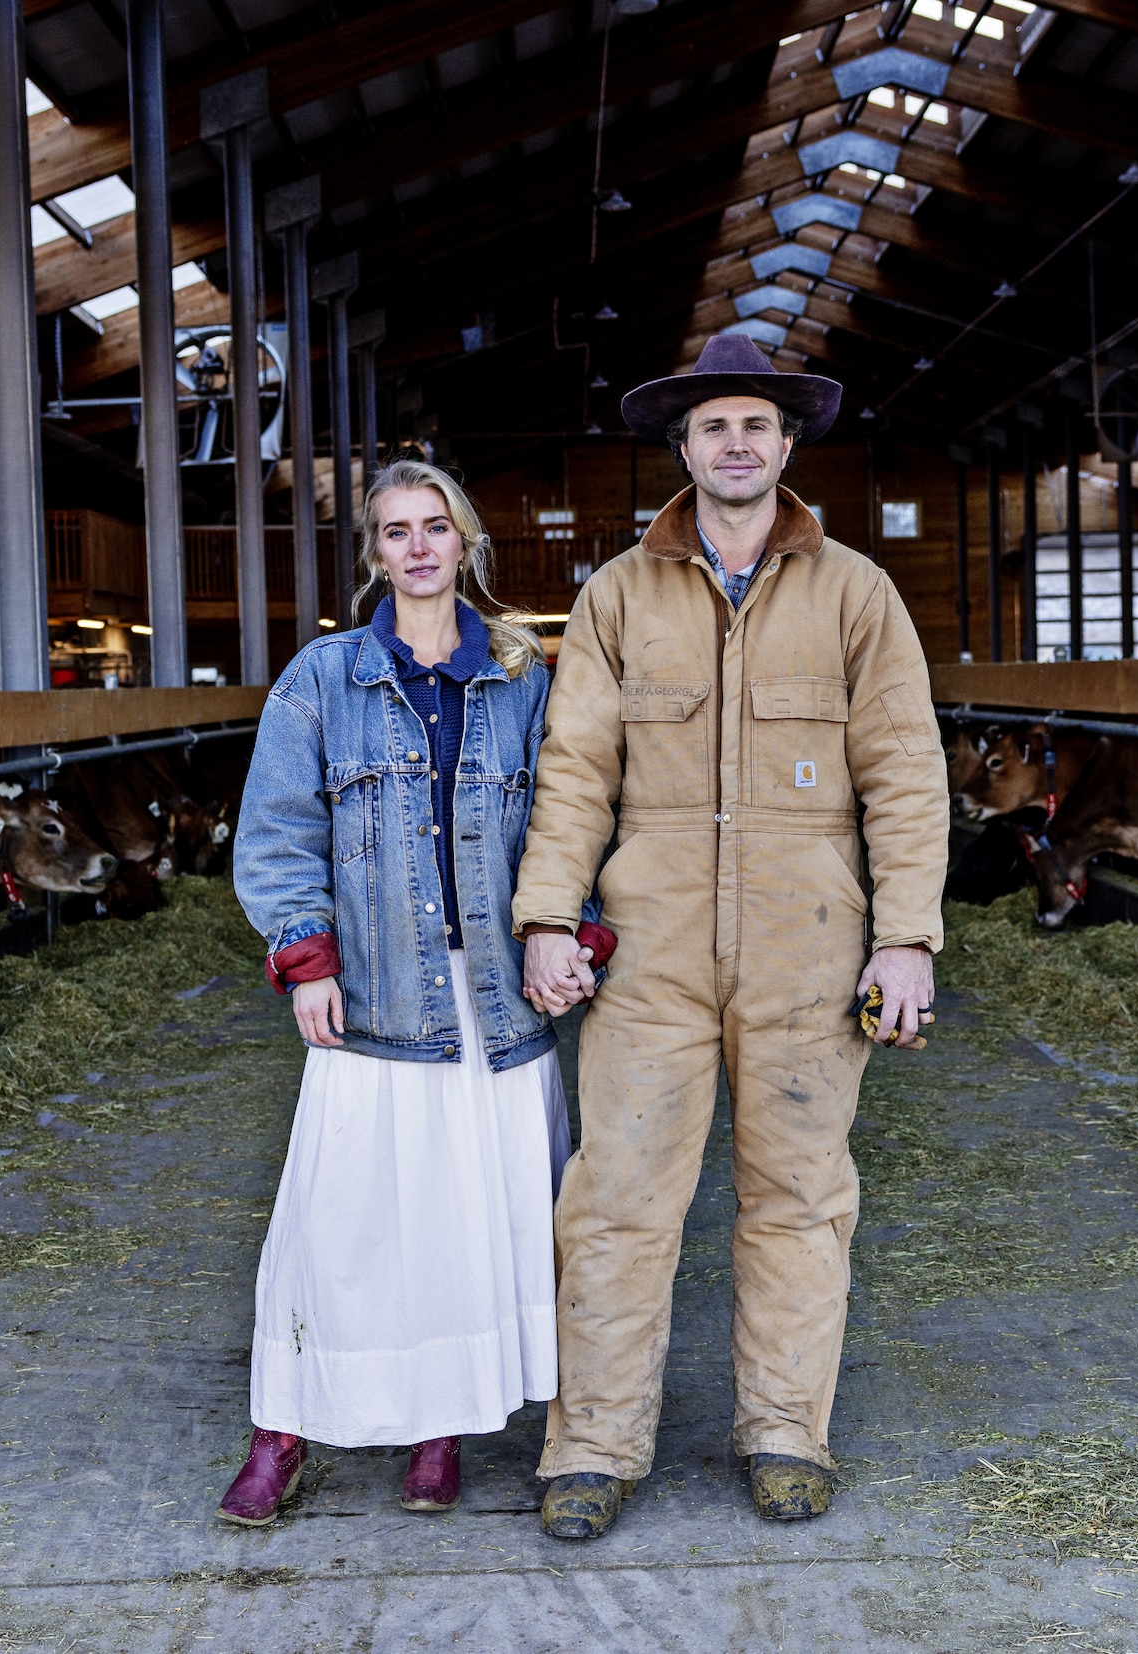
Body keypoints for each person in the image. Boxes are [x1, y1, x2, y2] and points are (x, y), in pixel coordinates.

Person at [511, 334, 949, 1539]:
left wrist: (905, 934)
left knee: (800, 1196)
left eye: (755, 423)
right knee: (613, 1199)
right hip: (646, 951)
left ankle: (783, 1430)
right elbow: (573, 771)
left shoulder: (857, 593)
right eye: (714, 427)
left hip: (810, 944)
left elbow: (906, 775)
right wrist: (549, 915)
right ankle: (592, 1446)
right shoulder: (613, 595)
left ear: (788, 444)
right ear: (683, 448)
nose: (736, 443)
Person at [225, 459, 605, 1527]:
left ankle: (437, 1429)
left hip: (495, 994)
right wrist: (306, 957)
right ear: (375, 555)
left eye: (435, 526)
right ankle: (283, 1429)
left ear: (466, 541)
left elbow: (573, 816)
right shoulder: (322, 677)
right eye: (395, 532)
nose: (418, 547)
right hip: (377, 992)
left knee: (471, 1222)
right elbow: (278, 831)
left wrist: (569, 933)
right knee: (333, 1220)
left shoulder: (522, 672)